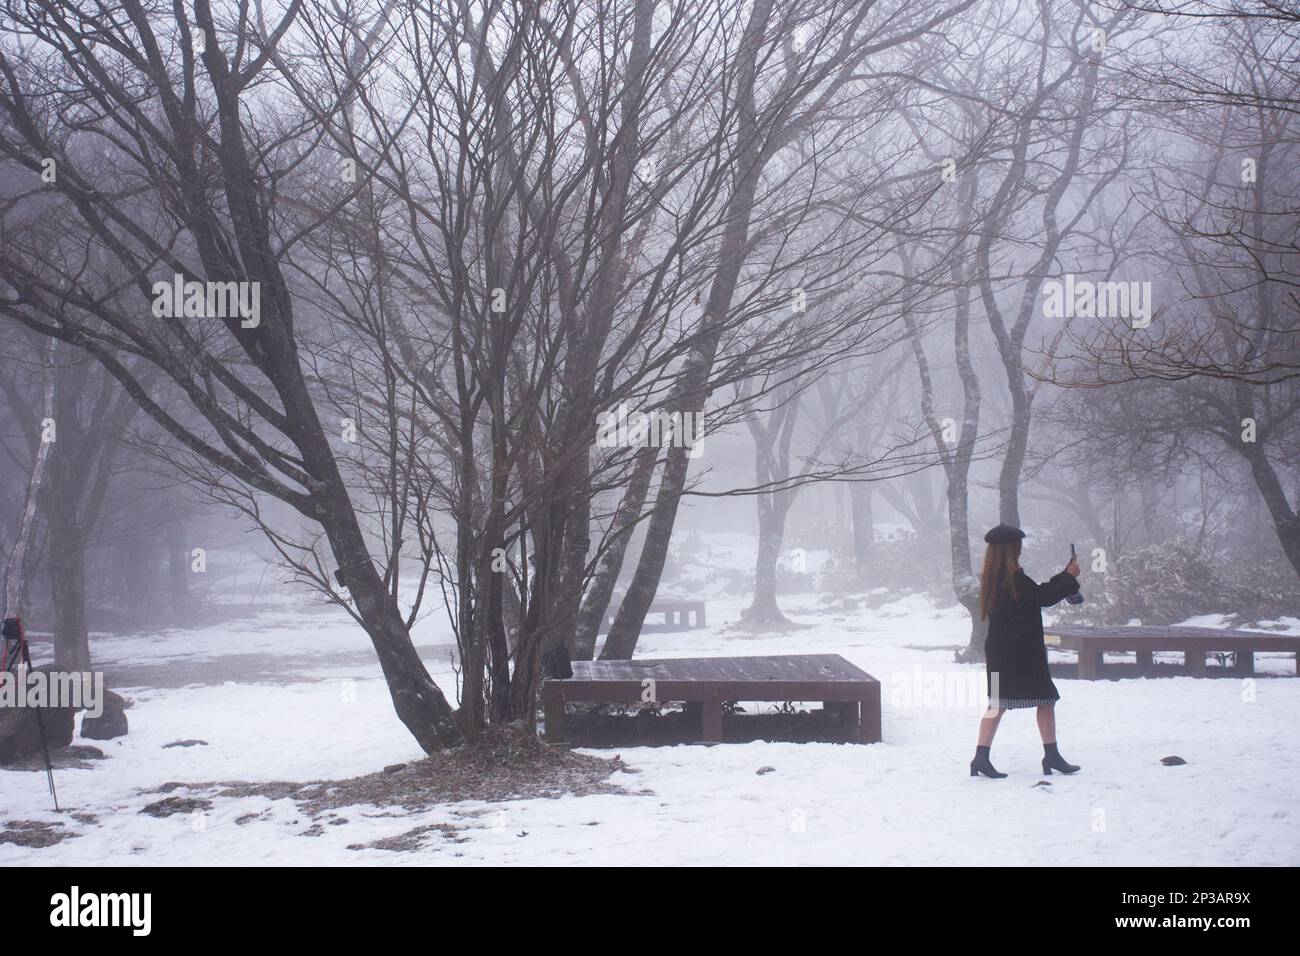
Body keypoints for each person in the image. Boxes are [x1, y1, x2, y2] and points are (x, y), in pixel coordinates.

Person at [970, 524, 1082, 779]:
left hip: (999, 652)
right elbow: (1042, 596)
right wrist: (1069, 577)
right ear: (1012, 549)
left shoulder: (995, 577)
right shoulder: (1012, 579)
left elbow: (1037, 594)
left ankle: (980, 758)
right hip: (1022, 653)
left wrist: (1065, 576)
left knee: (998, 704)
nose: (1020, 550)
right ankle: (1051, 755)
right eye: (1017, 546)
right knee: (1045, 698)